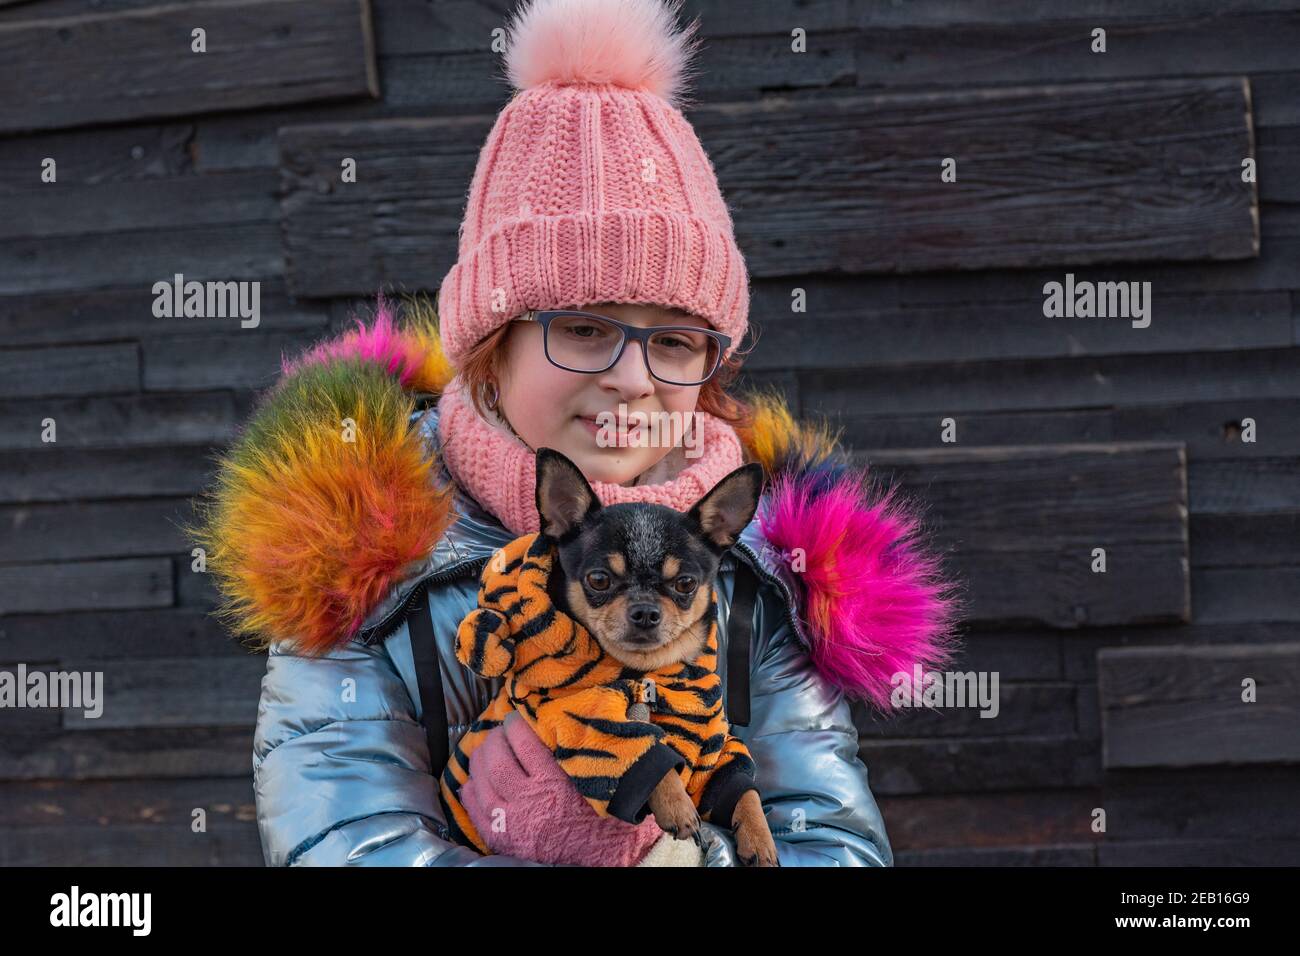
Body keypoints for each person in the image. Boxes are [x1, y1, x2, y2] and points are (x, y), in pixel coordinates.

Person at [191, 0, 961, 867]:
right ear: (490, 348)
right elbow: (346, 843)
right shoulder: (363, 565)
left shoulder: (757, 571)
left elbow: (833, 844)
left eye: (674, 340)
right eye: (585, 328)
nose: (632, 376)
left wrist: (680, 857)